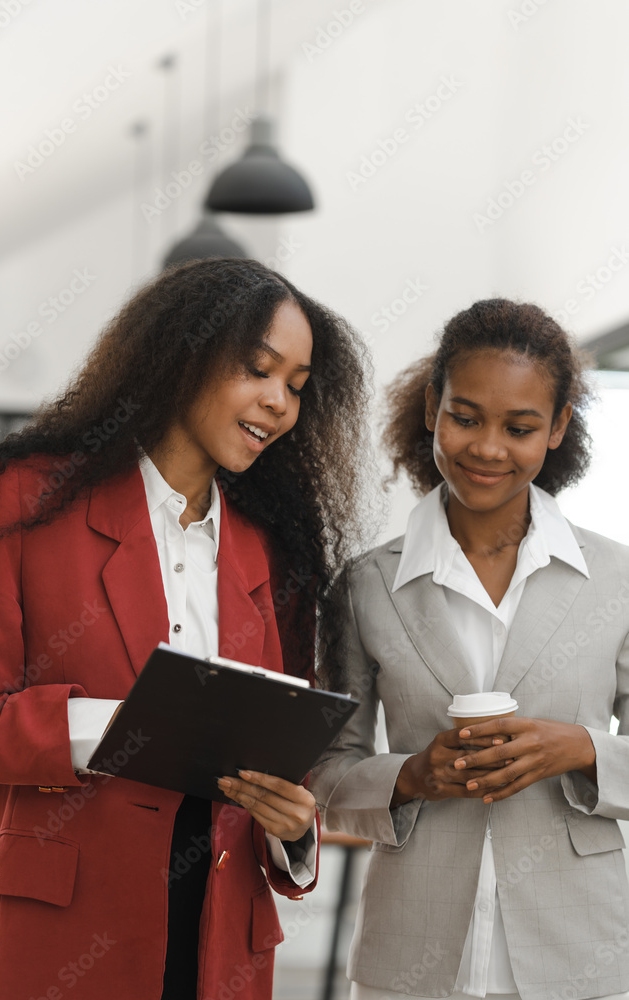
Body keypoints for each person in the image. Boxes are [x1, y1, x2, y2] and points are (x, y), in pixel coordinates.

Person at [0, 258, 372, 999]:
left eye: (297, 387)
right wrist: (127, 725)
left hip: (221, 942)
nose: (279, 402)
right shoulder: (29, 501)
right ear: (184, 355)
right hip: (64, 933)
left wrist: (293, 831)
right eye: (258, 370)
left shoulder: (275, 547)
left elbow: (283, 756)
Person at [311, 299, 629, 1000]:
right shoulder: (365, 585)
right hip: (412, 953)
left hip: (579, 952)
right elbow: (327, 774)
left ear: (556, 429)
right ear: (431, 407)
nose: (487, 447)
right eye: (464, 416)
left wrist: (578, 748)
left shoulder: (617, 580)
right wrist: (412, 776)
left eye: (518, 428)